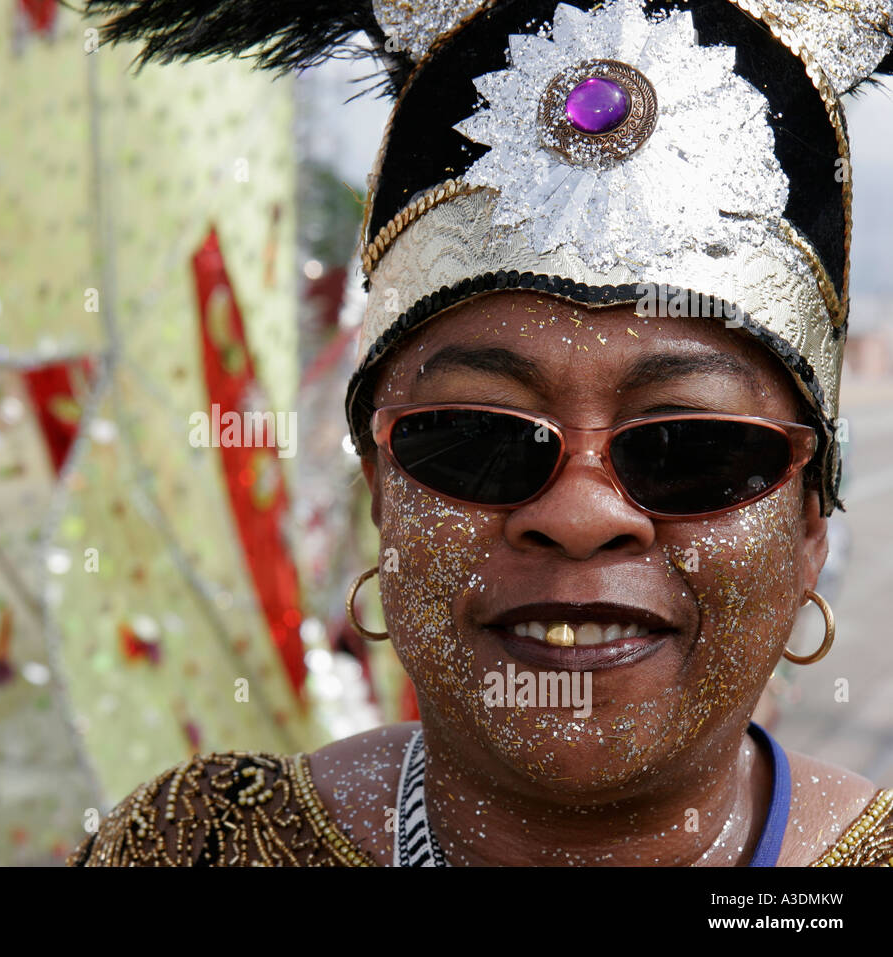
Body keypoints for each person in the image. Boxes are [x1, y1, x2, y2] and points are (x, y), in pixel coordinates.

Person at [68, 0, 893, 865]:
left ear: (809, 521)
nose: (580, 513)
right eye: (476, 437)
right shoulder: (197, 846)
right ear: (380, 490)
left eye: (691, 449)